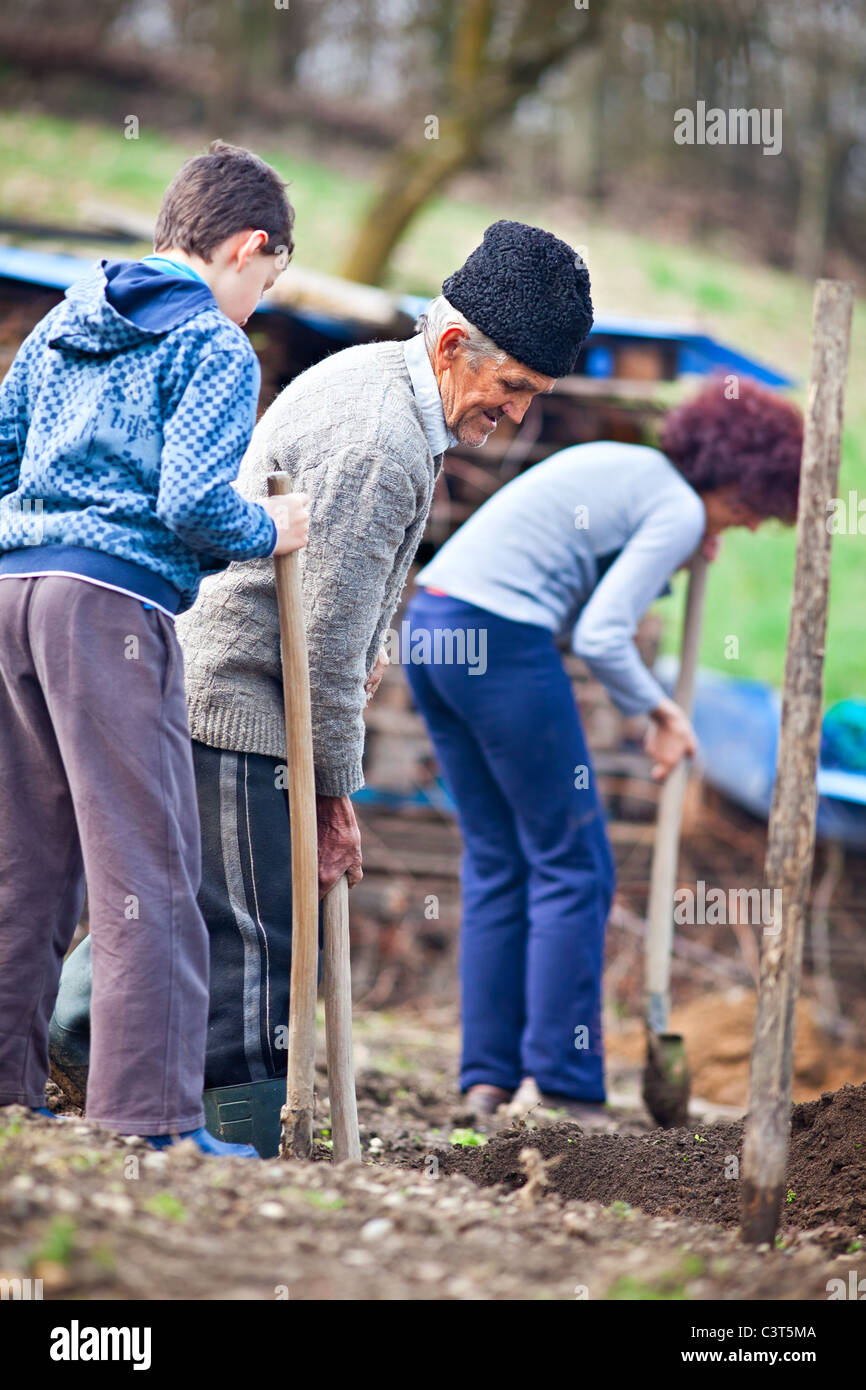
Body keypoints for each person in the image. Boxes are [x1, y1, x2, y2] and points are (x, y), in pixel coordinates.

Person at [50, 220, 594, 1148]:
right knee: (261, 942)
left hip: (224, 688)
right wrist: (334, 797)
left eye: (533, 398)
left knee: (186, 904)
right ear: (455, 344)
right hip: (239, 700)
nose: (513, 418)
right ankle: (247, 1141)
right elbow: (327, 648)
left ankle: (68, 1041)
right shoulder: (382, 435)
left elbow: (362, 606)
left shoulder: (389, 391)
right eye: (510, 390)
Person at [0, 141, 309, 1157]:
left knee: (26, 865)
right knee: (152, 867)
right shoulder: (214, 348)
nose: (256, 305)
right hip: (109, 612)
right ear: (246, 247)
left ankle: (9, 1091)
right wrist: (274, 529)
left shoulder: (59, 321)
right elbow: (188, 502)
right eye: (263, 284)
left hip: (12, 593)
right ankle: (153, 1116)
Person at [405, 377, 803, 1119]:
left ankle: (488, 1078)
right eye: (757, 510)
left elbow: (581, 581)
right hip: (500, 642)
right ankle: (560, 1084)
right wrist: (658, 713)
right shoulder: (678, 508)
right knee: (574, 865)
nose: (752, 527)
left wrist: (676, 553)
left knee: (498, 859)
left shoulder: (638, 475)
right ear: (744, 483)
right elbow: (600, 636)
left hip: (433, 628)